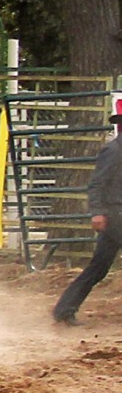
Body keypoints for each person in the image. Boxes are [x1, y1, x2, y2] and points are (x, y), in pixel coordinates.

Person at [52, 112, 122, 325]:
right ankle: (64, 309)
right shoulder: (114, 151)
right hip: (116, 214)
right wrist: (97, 211)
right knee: (97, 267)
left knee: (98, 267)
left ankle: (64, 309)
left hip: (115, 213)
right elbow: (97, 183)